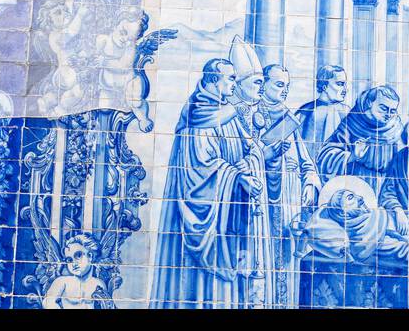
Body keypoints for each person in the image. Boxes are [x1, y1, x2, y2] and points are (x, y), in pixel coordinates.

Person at [150, 56, 272, 308]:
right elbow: (199, 171)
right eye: (230, 78)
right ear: (213, 81)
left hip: (228, 213)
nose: (234, 84)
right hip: (206, 213)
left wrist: (251, 162)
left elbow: (248, 147)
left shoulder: (227, 111)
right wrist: (238, 176)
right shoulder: (198, 113)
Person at [257, 63, 321, 308]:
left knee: (288, 269)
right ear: (263, 84)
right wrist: (271, 155)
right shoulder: (252, 116)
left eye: (287, 86)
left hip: (290, 206)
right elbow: (250, 160)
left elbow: (307, 163)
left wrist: (310, 185)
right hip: (265, 207)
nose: (284, 91)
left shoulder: (288, 119)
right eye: (279, 84)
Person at [316, 86, 403, 190]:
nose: (388, 114)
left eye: (392, 111)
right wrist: (352, 156)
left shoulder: (395, 127)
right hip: (356, 185)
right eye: (383, 108)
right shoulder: (353, 123)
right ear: (370, 103)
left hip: (386, 187)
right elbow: (326, 154)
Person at [43, 233, 111, 309]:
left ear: (90, 256)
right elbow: (47, 302)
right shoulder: (62, 282)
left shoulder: (98, 284)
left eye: (78, 255)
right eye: (69, 260)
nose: (74, 264)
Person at [296, 65, 350, 160]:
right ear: (324, 86)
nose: (345, 90)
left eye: (345, 84)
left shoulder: (347, 111)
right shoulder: (305, 112)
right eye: (340, 84)